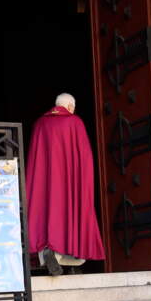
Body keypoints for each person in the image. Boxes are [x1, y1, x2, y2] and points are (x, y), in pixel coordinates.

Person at [25, 93, 105, 275]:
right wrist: (82, 184)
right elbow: (84, 158)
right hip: (68, 183)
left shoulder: (39, 125)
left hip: (44, 185)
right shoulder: (74, 122)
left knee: (46, 212)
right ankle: (68, 256)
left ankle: (48, 250)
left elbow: (34, 161)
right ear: (70, 106)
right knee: (69, 214)